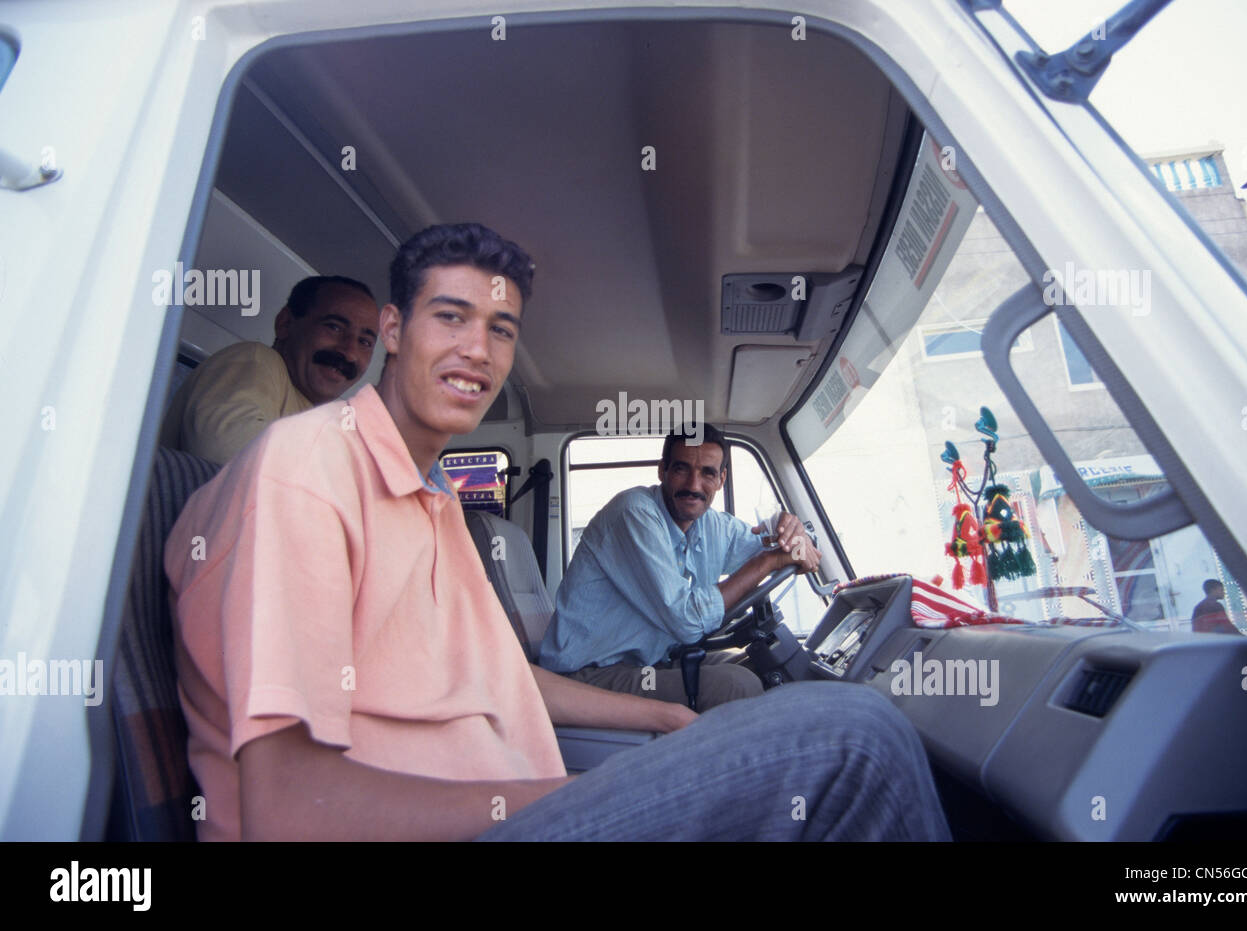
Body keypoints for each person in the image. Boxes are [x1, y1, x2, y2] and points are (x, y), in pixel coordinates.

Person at [165, 221, 949, 842]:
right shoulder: (306, 469)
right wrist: (573, 795)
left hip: (526, 807)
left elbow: (504, 678)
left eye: (501, 329)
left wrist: (663, 717)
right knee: (852, 737)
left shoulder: (429, 498)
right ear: (395, 330)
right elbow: (289, 807)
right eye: (452, 316)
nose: (479, 348)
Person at [537, 424, 821, 710]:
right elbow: (686, 621)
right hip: (585, 676)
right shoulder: (634, 513)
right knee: (739, 685)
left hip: (650, 663)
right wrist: (767, 562)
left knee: (762, 668)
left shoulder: (712, 525)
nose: (694, 486)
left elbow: (775, 546)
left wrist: (795, 534)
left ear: (721, 479)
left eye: (708, 473)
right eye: (682, 469)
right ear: (663, 471)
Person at [159, 275, 379, 464]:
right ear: (285, 324)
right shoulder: (255, 359)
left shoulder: (320, 418)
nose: (350, 352)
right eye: (334, 327)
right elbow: (224, 449)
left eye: (365, 342)